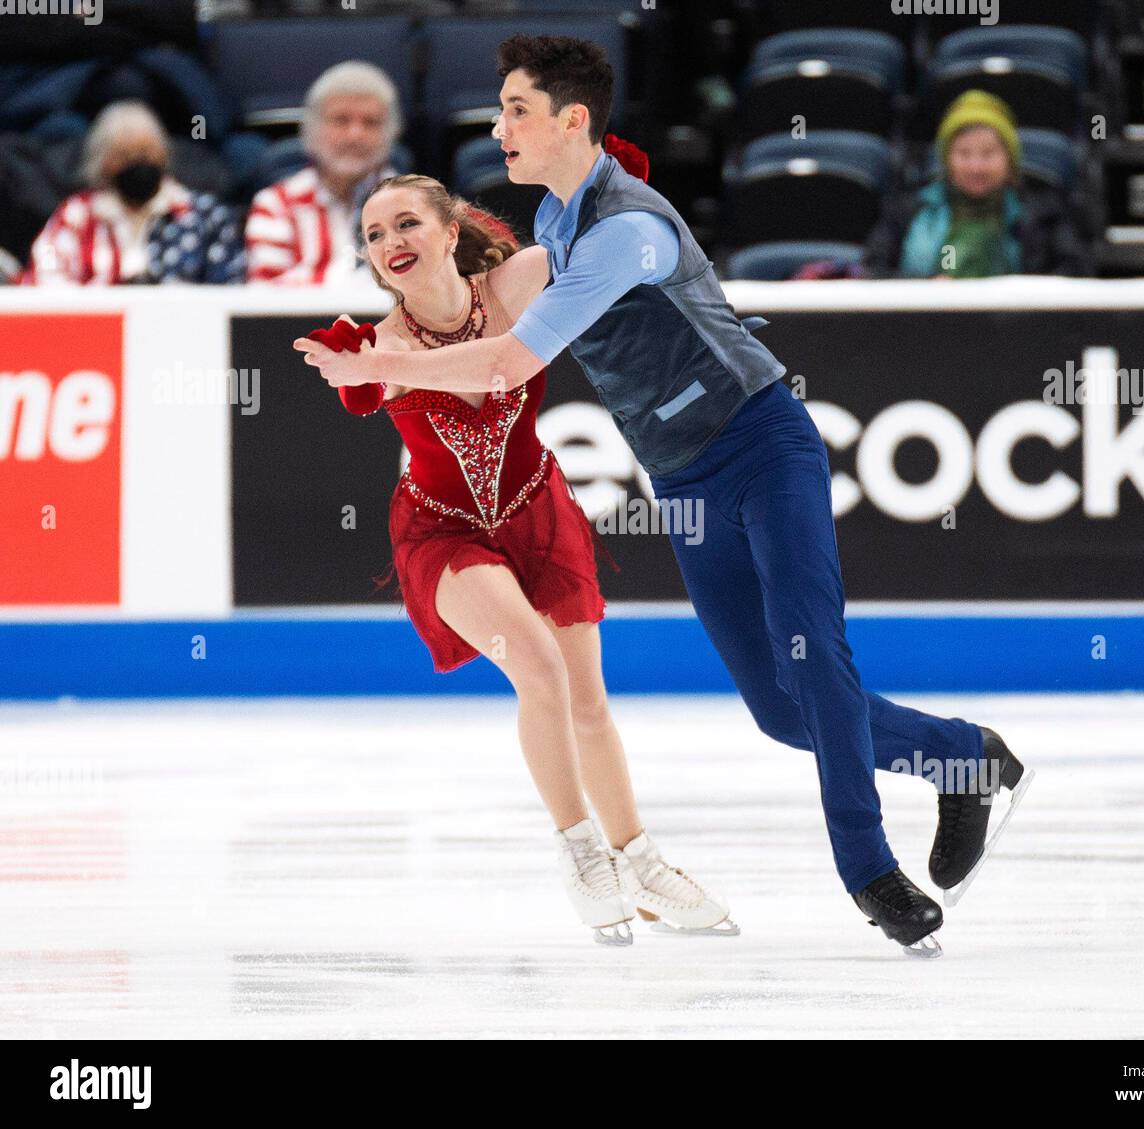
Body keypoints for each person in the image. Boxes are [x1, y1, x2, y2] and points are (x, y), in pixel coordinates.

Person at [297, 36, 1035, 956]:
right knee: (774, 706)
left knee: (814, 658)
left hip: (764, 445)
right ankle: (961, 758)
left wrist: (380, 362)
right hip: (682, 479)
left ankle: (869, 870)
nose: (498, 127)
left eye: (516, 110)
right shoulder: (556, 228)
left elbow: (507, 362)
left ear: (571, 121)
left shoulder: (625, 231)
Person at [295, 172, 736, 945]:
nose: (391, 243)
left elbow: (593, 256)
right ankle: (580, 851)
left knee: (589, 701)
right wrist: (366, 370)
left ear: (449, 228)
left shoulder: (519, 282)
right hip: (443, 533)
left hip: (538, 510)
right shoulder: (382, 346)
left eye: (405, 224)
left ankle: (642, 859)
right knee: (539, 670)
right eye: (373, 235)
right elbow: (403, 375)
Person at [864, 89, 1091, 279]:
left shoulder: (1046, 214)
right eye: (964, 154)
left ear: (1009, 160)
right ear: (947, 160)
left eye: (988, 154)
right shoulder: (906, 210)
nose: (976, 167)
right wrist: (924, 289)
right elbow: (875, 270)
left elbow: (1074, 272)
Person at [20, 101, 244, 286]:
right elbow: (45, 278)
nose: (138, 163)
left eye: (147, 153)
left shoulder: (204, 216)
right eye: (125, 156)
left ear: (164, 156)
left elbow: (230, 286)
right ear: (102, 163)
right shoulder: (75, 215)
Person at [245, 62, 402, 285]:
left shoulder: (419, 206)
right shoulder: (275, 205)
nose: (355, 135)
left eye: (371, 122)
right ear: (311, 130)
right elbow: (266, 300)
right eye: (341, 120)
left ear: (391, 134)